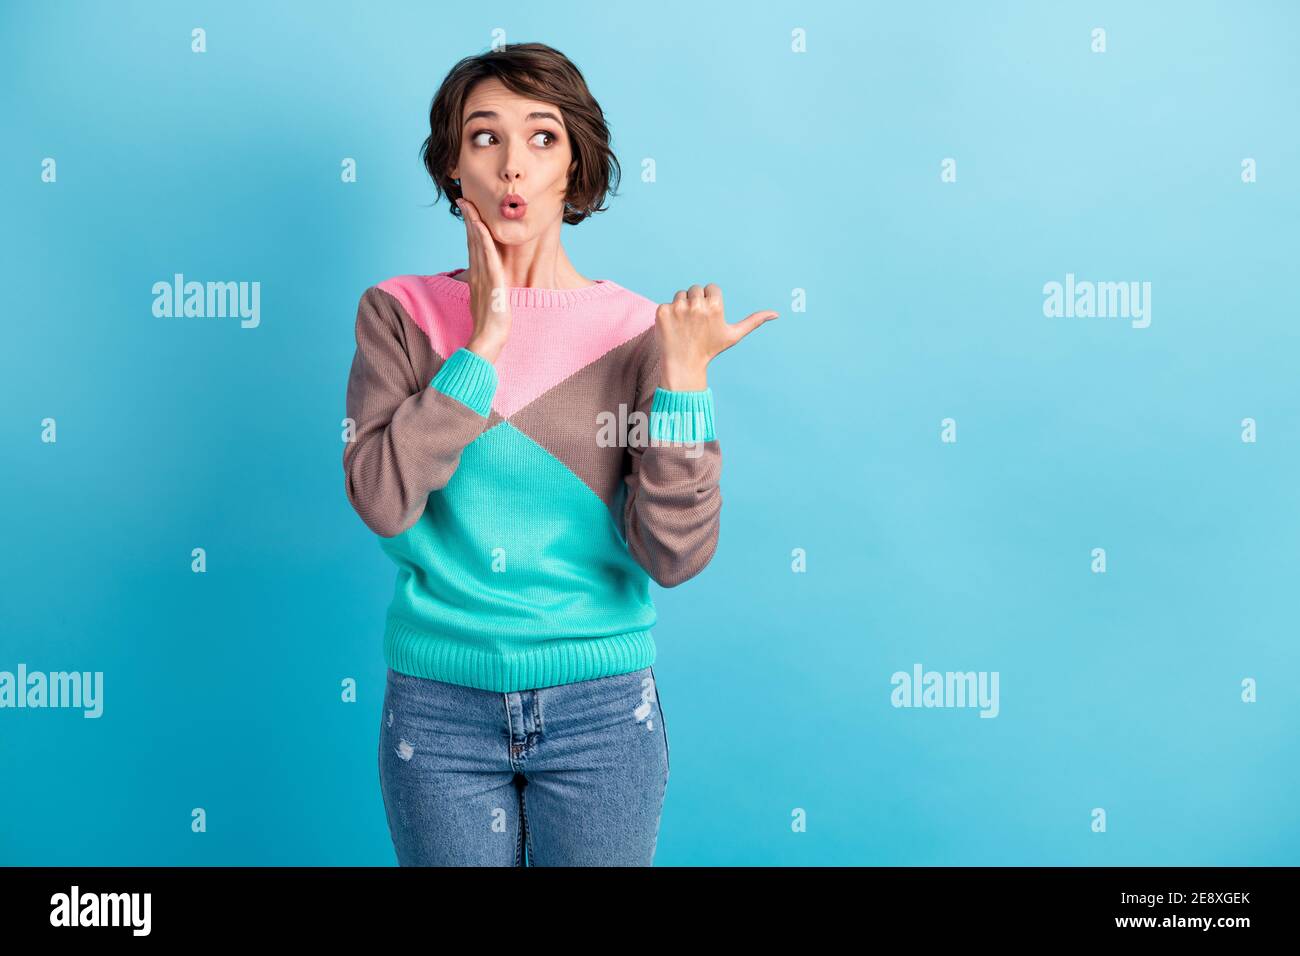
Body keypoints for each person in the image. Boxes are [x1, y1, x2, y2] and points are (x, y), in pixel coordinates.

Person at [342, 42, 778, 866]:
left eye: (542, 137)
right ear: (452, 167)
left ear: (576, 168)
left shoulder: (639, 333)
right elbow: (380, 497)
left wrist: (683, 378)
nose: (513, 166)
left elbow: (674, 555)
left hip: (602, 714)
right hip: (438, 711)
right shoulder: (397, 314)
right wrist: (486, 342)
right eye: (484, 137)